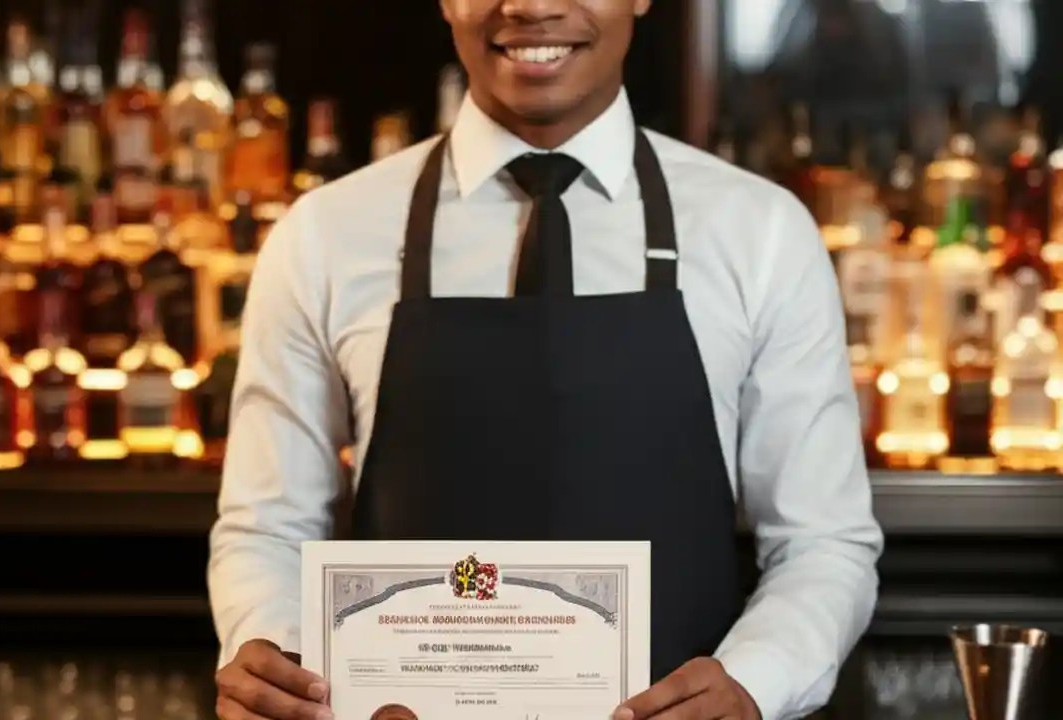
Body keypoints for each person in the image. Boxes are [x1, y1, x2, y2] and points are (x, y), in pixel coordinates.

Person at [209, 1, 884, 719]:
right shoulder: (324, 236)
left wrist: (753, 682)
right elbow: (269, 528)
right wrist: (279, 663)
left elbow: (821, 543)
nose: (532, 6)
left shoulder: (761, 233)